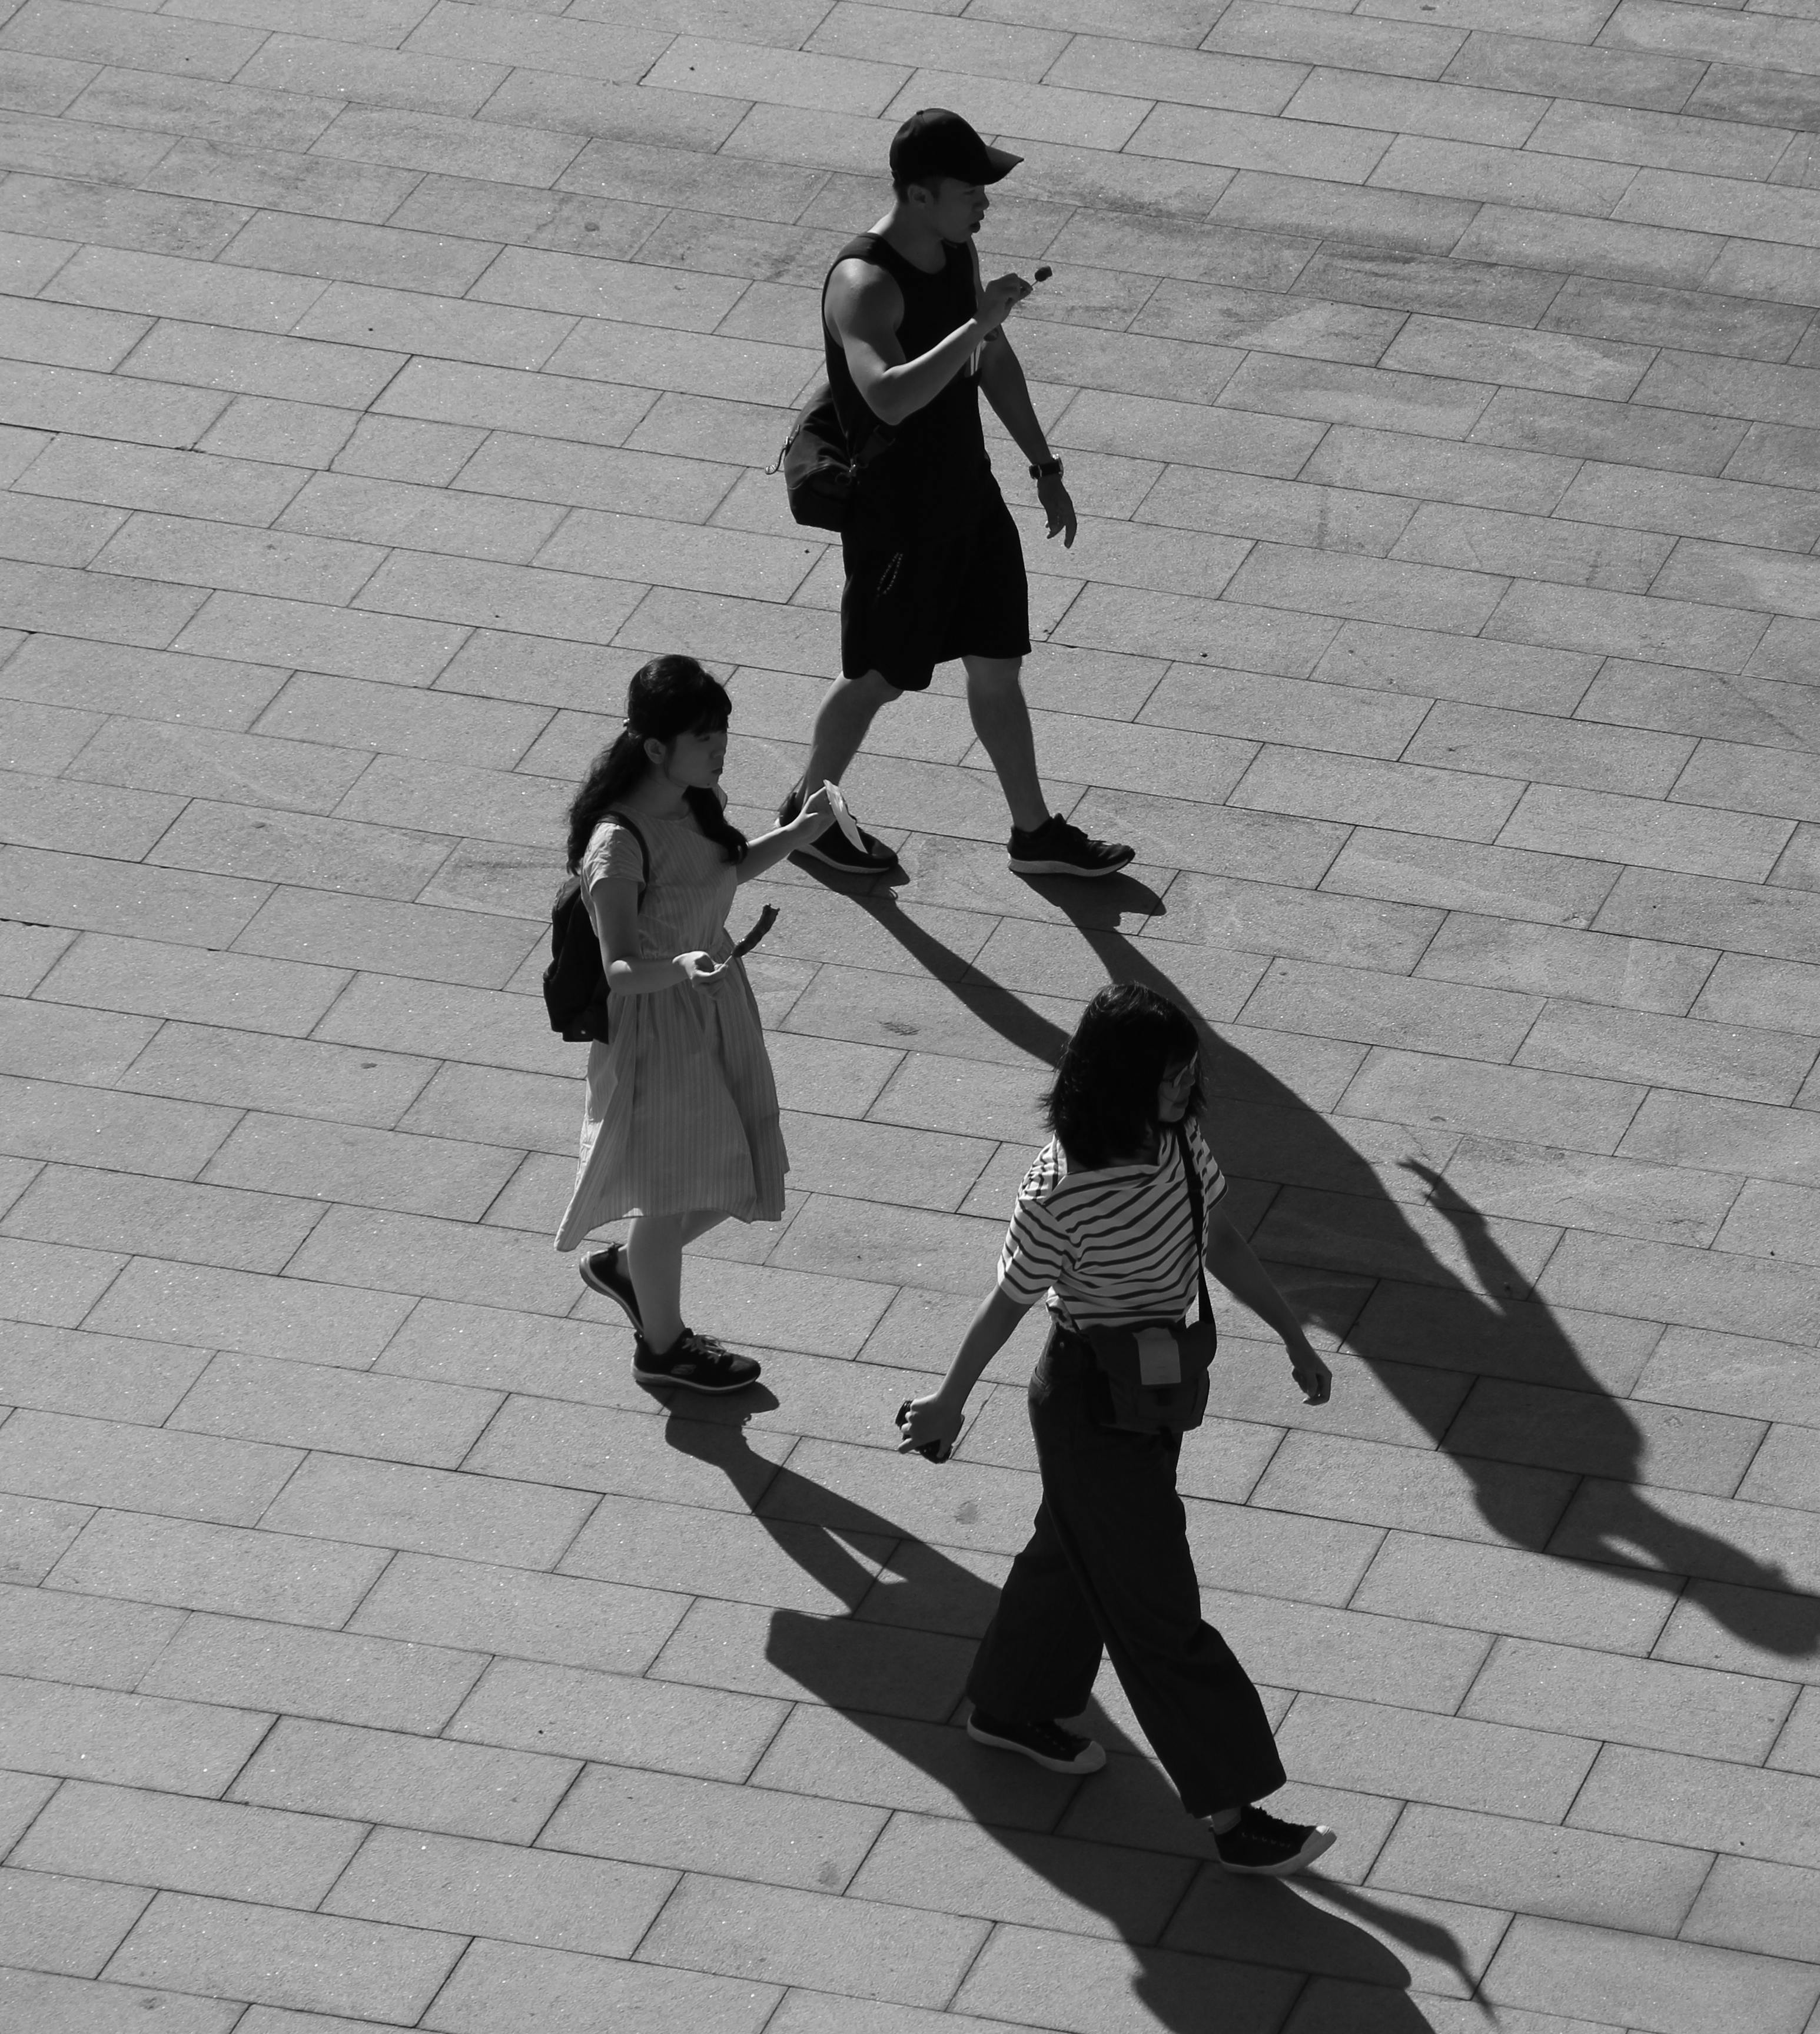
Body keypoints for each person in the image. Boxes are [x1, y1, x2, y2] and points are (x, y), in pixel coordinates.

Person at [895, 983, 1340, 1875]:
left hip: (1154, 1392)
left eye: (1188, 1073)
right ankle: (1233, 1818)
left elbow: (1222, 1241)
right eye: (1169, 1077)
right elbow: (1007, 1303)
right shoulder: (1061, 1190)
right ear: (1120, 1078)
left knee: (1074, 1554)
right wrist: (948, 1401)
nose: (1185, 1090)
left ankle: (1011, 1707)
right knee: (1158, 1613)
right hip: (1090, 1406)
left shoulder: (1176, 1142)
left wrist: (1294, 1336)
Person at [783, 106, 1132, 889]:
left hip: (967, 496)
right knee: (877, 676)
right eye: (971, 190)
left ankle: (1034, 833)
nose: (985, 204)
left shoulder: (955, 250)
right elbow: (888, 397)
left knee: (997, 662)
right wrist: (975, 325)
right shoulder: (864, 284)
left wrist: (1045, 466)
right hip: (898, 517)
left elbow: (991, 360)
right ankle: (808, 819)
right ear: (918, 195)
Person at [561, 655, 839, 1390]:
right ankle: (663, 1348)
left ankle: (632, 1269)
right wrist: (682, 965)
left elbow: (723, 869)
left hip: (713, 1004)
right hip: (658, 1028)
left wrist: (799, 833)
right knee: (674, 1192)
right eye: (705, 737)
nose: (721, 749)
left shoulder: (694, 800)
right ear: (657, 747)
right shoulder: (618, 846)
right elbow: (621, 968)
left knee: (737, 1163)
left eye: (722, 733)